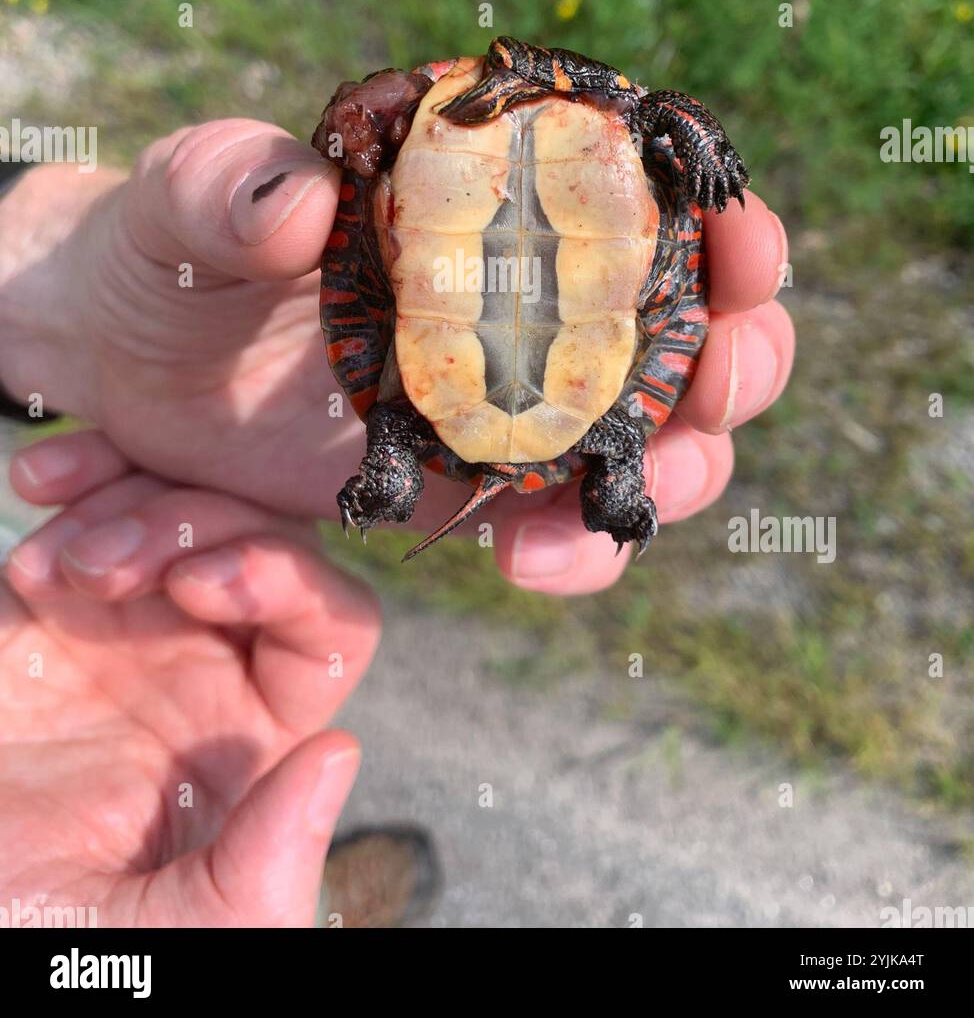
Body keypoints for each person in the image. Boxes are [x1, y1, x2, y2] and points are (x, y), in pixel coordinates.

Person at [0, 118, 793, 926]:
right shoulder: (610, 130)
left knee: (543, 429)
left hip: (476, 382)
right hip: (522, 393)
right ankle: (316, 901)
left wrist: (48, 292)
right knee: (600, 436)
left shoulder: (458, 126)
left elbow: (369, 135)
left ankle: (307, 892)